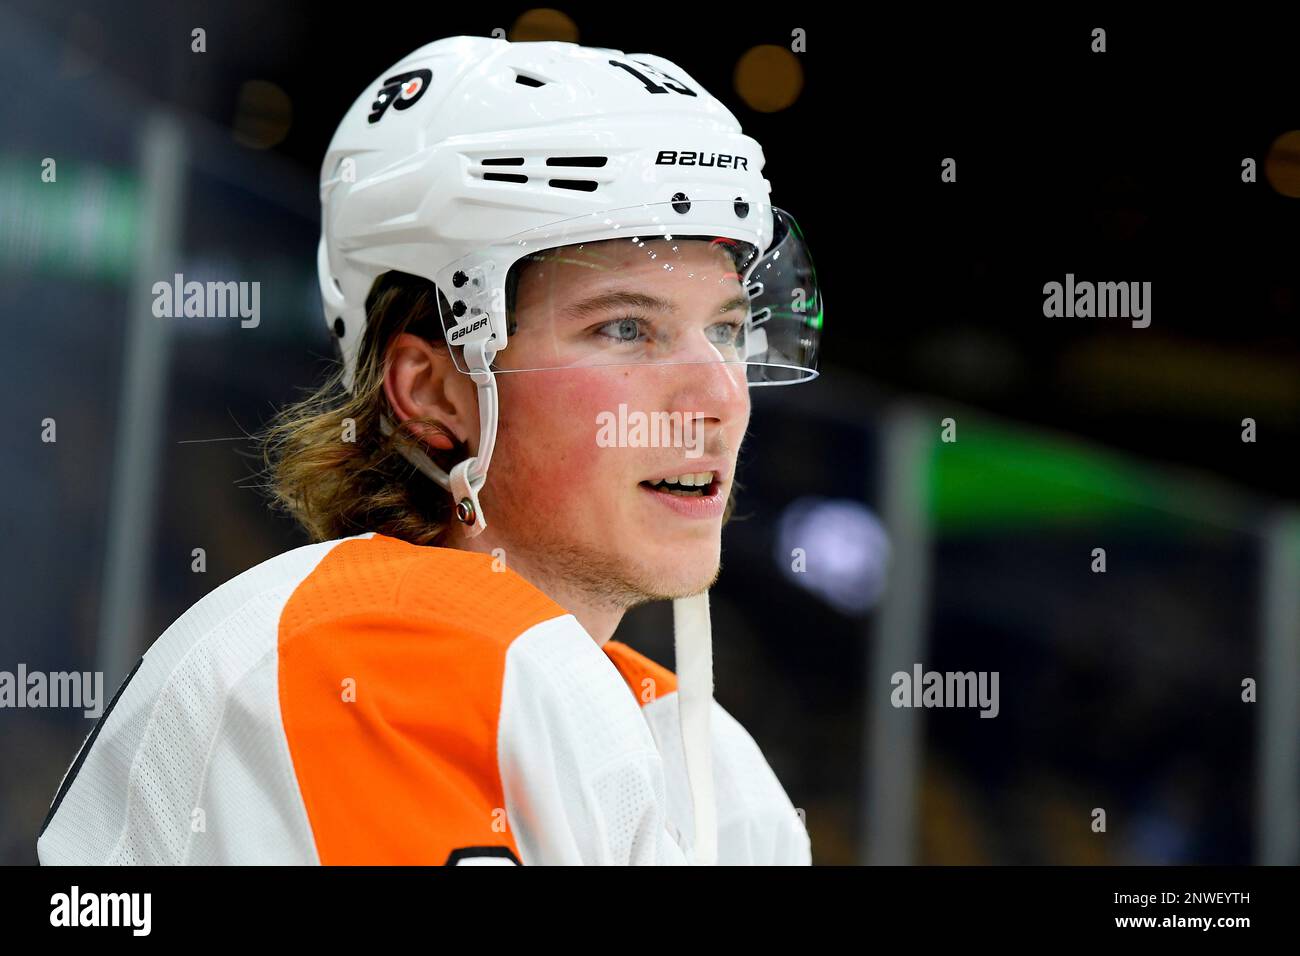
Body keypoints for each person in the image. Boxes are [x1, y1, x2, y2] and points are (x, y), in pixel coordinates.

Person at [37, 36, 823, 865]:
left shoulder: (697, 751)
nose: (718, 397)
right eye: (626, 328)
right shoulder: (370, 655)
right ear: (433, 392)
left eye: (728, 330)